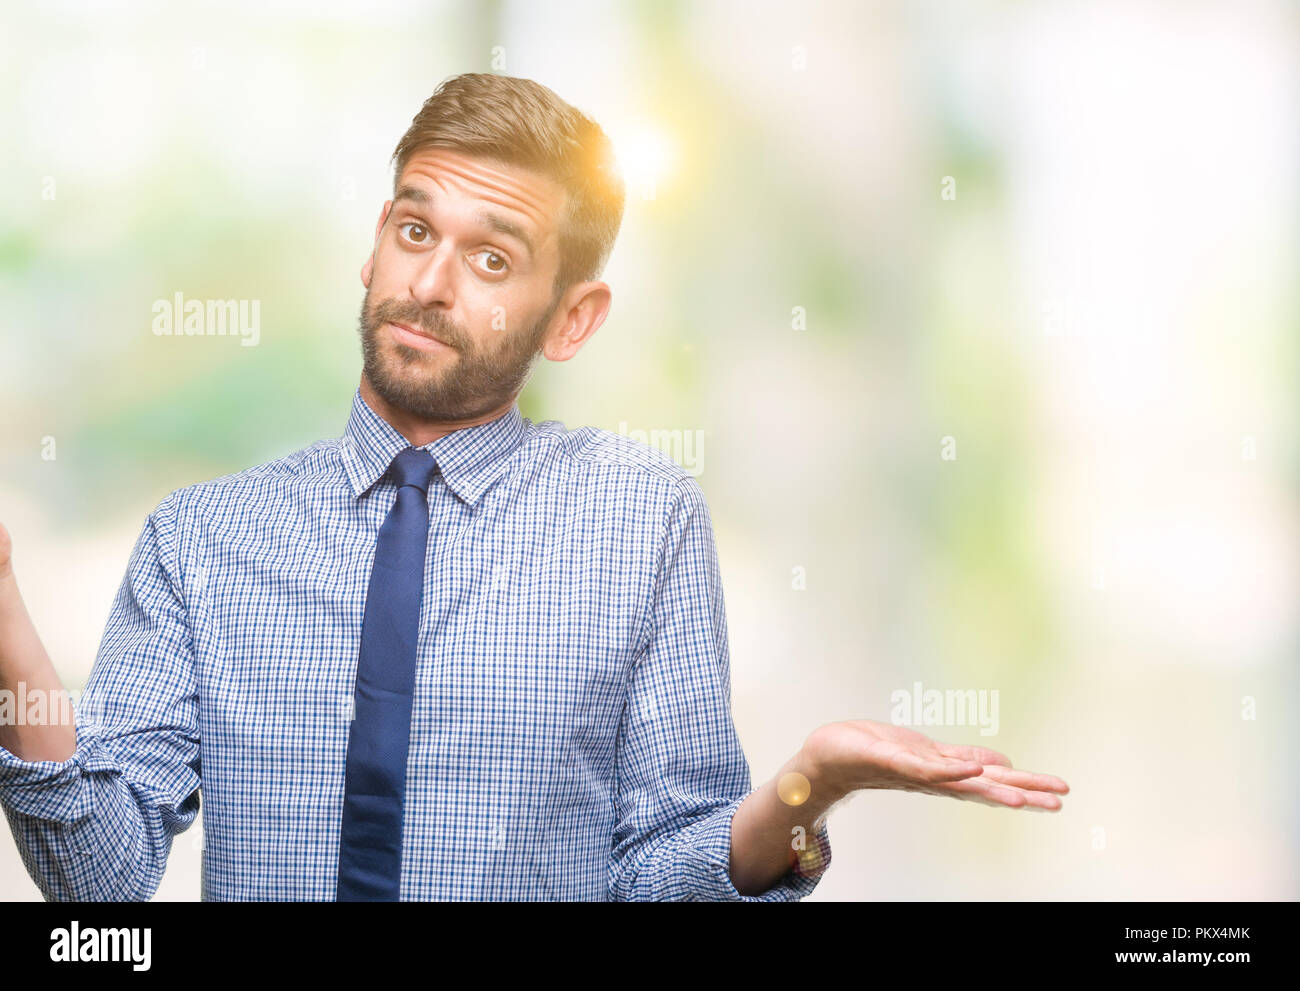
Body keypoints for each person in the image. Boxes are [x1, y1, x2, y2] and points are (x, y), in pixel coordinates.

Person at [0, 72, 1068, 902]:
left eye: (493, 259)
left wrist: (807, 785)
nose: (429, 284)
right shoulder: (201, 540)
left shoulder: (639, 520)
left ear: (574, 318)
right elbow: (99, 876)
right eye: (414, 232)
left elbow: (663, 879)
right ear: (372, 250)